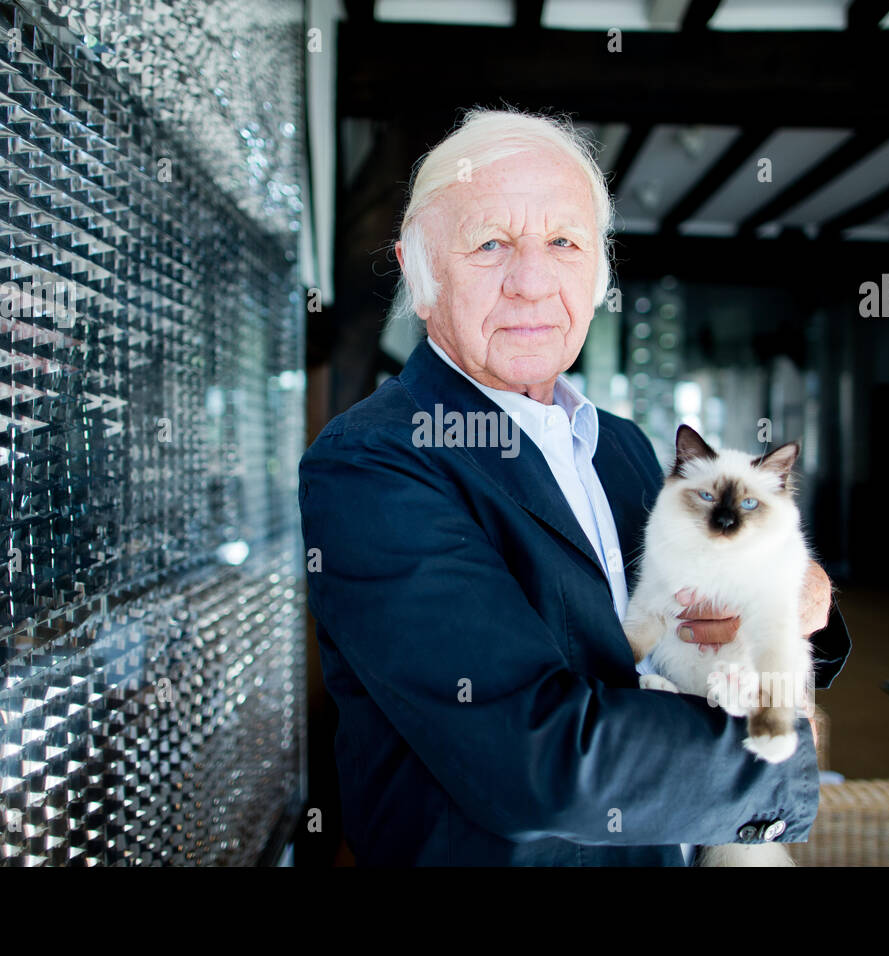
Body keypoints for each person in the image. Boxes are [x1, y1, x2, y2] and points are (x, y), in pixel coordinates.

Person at [298, 108, 850, 866]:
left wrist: (788, 595)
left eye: (563, 243)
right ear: (418, 277)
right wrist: (777, 759)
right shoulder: (373, 463)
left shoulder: (617, 443)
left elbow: (683, 620)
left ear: (597, 276)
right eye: (490, 244)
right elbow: (535, 759)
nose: (531, 282)